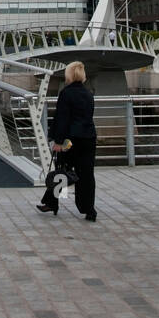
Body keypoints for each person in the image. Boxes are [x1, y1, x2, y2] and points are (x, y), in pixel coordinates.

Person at [37, 61, 97, 219]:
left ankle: (52, 203)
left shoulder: (66, 93)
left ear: (69, 75)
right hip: (89, 137)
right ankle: (89, 209)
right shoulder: (88, 93)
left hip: (70, 140)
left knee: (62, 171)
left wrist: (57, 141)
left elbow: (62, 119)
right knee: (86, 175)